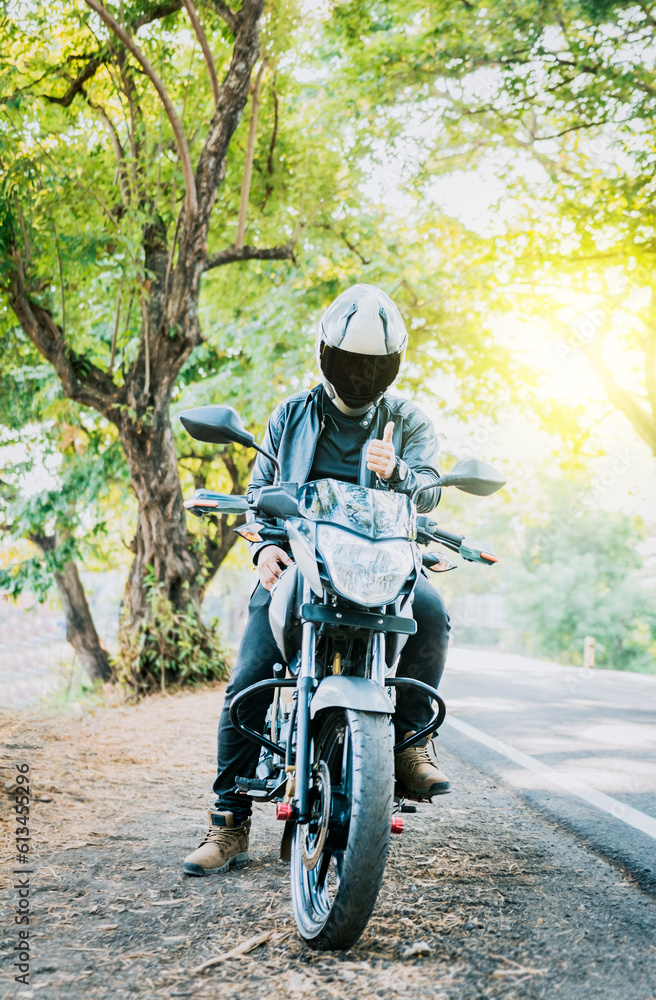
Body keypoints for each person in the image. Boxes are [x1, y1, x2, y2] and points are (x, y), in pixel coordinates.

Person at [184, 284, 452, 876]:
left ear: (390, 367)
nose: (359, 373)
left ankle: (408, 744)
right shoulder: (291, 415)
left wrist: (401, 471)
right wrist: (266, 552)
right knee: (251, 675)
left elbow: (431, 489)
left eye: (372, 364)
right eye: (349, 360)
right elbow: (260, 498)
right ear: (327, 355)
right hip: (303, 565)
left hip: (383, 569)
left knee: (432, 612)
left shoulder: (407, 421)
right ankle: (228, 822)